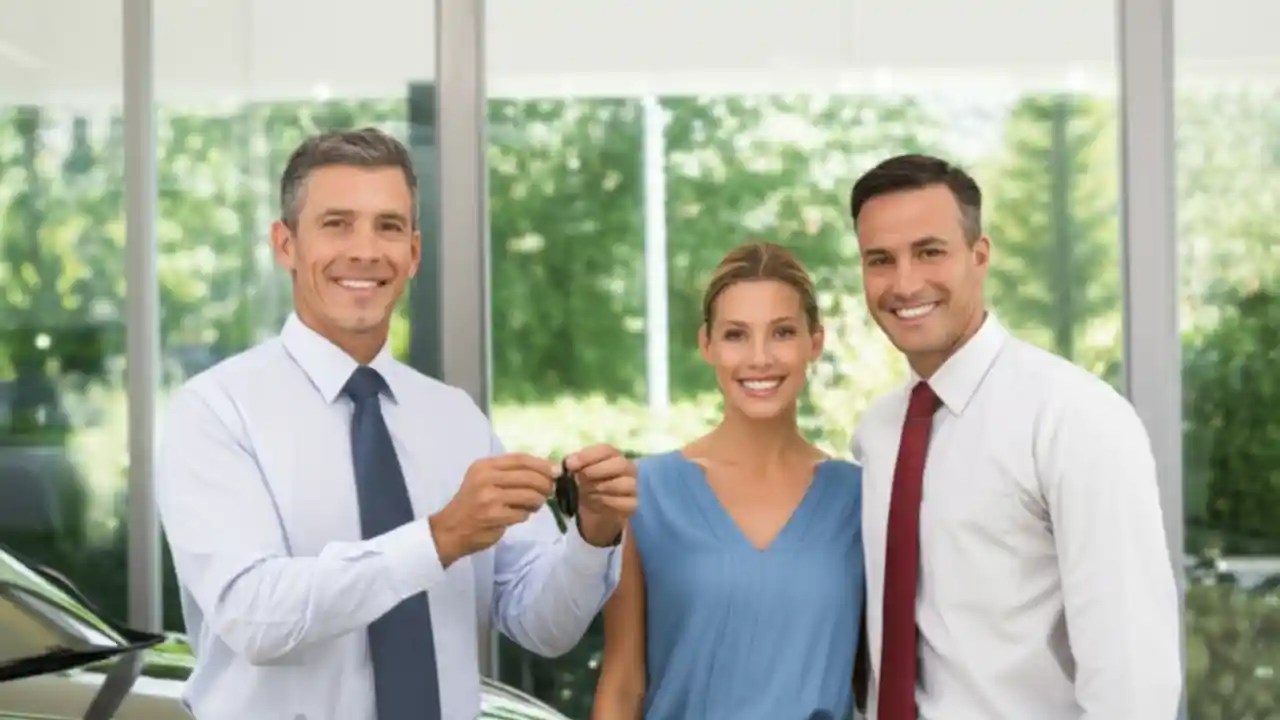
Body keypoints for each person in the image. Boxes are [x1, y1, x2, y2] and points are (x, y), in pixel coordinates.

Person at [155, 127, 637, 720]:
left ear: (413, 252)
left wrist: (593, 536)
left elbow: (542, 625)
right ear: (285, 245)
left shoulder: (455, 418)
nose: (365, 250)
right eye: (337, 223)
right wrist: (439, 538)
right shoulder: (214, 411)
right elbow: (254, 616)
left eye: (387, 226)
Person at [847, 153, 1182, 719]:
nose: (904, 283)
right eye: (880, 260)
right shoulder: (877, 434)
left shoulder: (1073, 418)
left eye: (929, 252)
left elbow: (1131, 673)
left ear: (979, 257)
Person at [591, 242, 866, 720]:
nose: (759, 358)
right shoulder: (645, 495)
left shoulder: (861, 499)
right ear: (707, 345)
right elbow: (622, 685)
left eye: (782, 332)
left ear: (814, 343)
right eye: (736, 335)